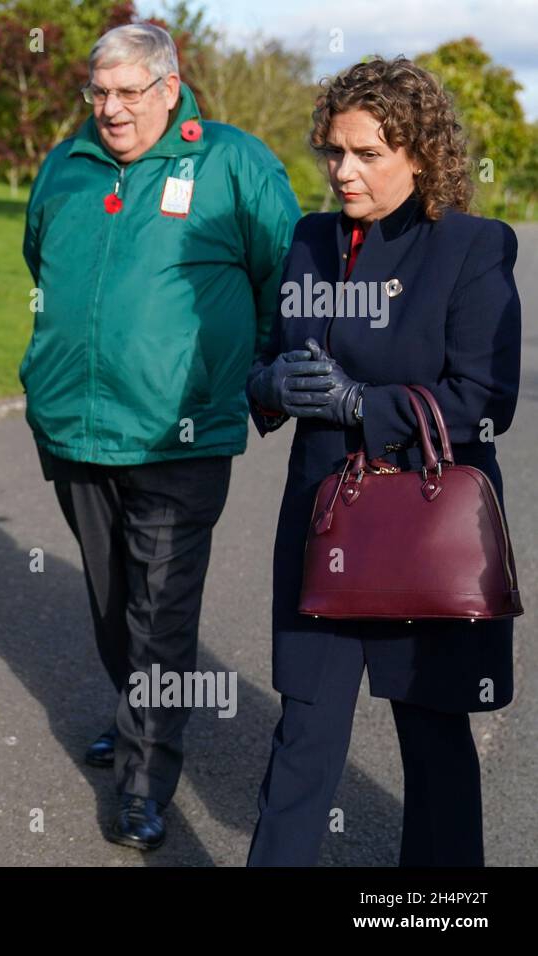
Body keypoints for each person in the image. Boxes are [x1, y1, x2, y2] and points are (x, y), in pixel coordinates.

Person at [20, 22, 300, 850]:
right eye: (97, 92)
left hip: (181, 433)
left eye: (127, 92)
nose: (109, 109)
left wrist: (255, 372)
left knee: (160, 615)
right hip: (76, 424)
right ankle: (139, 710)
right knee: (114, 602)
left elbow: (286, 273)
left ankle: (146, 777)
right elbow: (44, 261)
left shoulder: (230, 161)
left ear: (170, 89)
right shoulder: (67, 166)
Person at [245, 56, 521, 865]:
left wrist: (362, 407)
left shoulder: (471, 247)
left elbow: (483, 399)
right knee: (303, 732)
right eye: (334, 151)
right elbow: (270, 356)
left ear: (421, 155)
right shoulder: (309, 237)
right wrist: (271, 384)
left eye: (368, 154)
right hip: (325, 521)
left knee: (434, 738)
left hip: (427, 527)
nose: (343, 171)